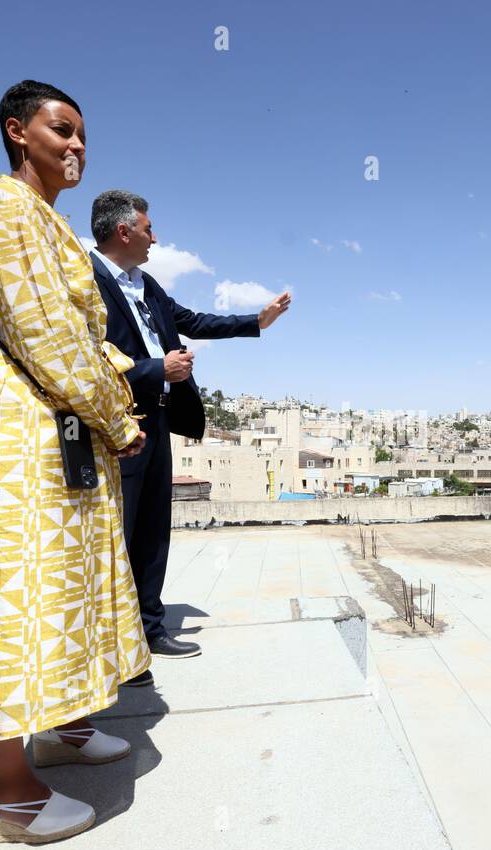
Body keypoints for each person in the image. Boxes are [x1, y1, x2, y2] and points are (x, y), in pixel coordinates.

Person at [0, 81, 151, 845]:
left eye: (82, 137)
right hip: (24, 418)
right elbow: (42, 332)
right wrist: (114, 414)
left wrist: (112, 405)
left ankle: (62, 723)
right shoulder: (3, 207)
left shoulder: (48, 220)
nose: (77, 146)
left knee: (66, 580)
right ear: (16, 131)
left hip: (58, 415)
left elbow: (76, 332)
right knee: (18, 590)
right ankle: (5, 793)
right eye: (61, 130)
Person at [89, 190, 290, 667]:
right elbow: (83, 359)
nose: (155, 238)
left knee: (154, 531)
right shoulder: (85, 280)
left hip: (157, 422)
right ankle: (111, 643)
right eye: (147, 229)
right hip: (117, 427)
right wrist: (155, 369)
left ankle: (149, 629)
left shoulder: (147, 284)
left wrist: (255, 322)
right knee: (118, 532)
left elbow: (191, 320)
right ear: (124, 231)